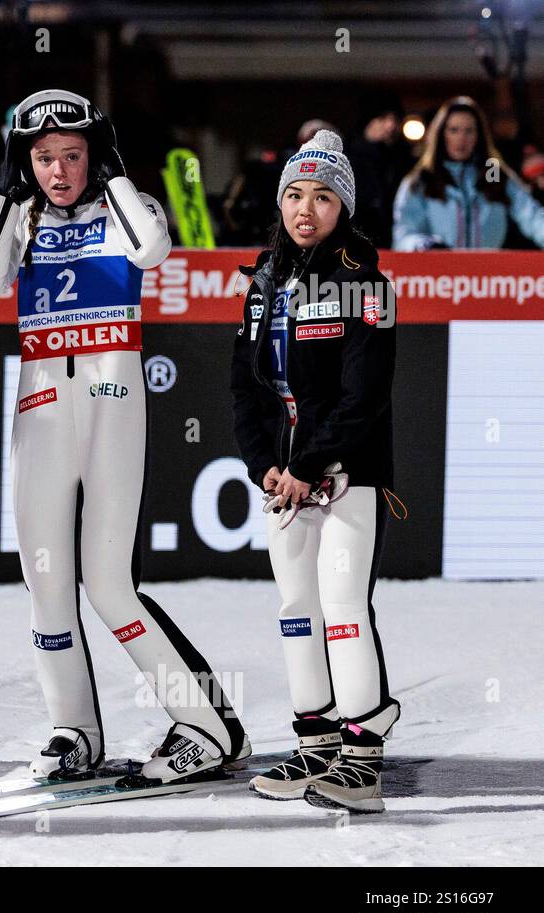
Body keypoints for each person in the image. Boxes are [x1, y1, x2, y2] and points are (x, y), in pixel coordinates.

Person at [0, 89, 249, 782]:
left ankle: (209, 726)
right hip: (39, 399)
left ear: (96, 155)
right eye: (41, 159)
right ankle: (73, 729)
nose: (58, 171)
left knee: (110, 584)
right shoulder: (22, 216)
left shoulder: (130, 207)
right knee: (45, 581)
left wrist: (113, 168)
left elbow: (153, 249)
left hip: (112, 395)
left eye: (72, 155)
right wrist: (7, 191)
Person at [231, 129, 402, 813]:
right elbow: (246, 390)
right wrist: (265, 467)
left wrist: (308, 464)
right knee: (295, 611)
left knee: (340, 608)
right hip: (288, 483)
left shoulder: (369, 284)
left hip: (349, 474)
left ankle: (364, 755)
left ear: (344, 208)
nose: (307, 208)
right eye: (296, 194)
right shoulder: (259, 284)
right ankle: (316, 743)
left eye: (324, 196)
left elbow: (366, 395)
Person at [393, 95, 544, 250]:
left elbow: (531, 215)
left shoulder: (494, 174)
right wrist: (423, 245)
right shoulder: (422, 179)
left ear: (478, 136)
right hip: (438, 271)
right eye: (454, 130)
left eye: (469, 131)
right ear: (441, 134)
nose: (461, 138)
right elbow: (404, 233)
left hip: (489, 271)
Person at [347, 92, 410, 248]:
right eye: (383, 119)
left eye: (395, 119)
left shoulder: (405, 160)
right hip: (357, 249)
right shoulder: (346, 160)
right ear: (368, 121)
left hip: (396, 247)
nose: (391, 125)